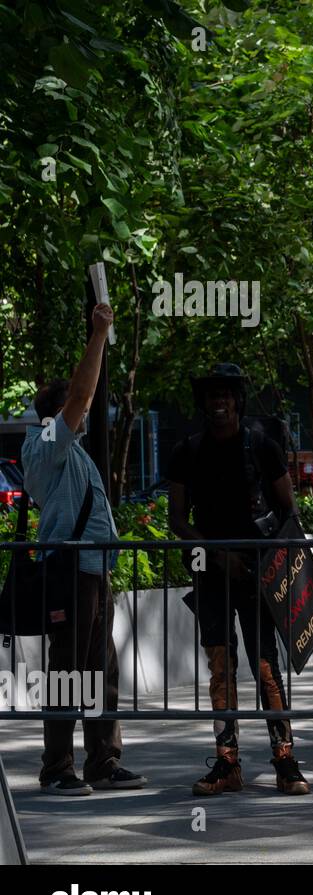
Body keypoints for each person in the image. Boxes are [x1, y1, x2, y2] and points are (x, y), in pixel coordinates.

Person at [168, 364, 307, 796]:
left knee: (266, 666)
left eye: (226, 395)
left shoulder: (262, 446)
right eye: (212, 397)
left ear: (238, 401)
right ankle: (227, 764)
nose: (219, 403)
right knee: (220, 668)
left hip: (258, 574)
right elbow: (177, 520)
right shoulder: (187, 451)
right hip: (211, 574)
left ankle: (285, 759)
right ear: (203, 404)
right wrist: (215, 554)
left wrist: (285, 570)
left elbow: (289, 512)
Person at [22, 303, 145, 795]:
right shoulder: (44, 444)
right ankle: (57, 768)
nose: (87, 410)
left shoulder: (71, 452)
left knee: (99, 669)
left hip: (94, 572)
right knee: (68, 670)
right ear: (59, 413)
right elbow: (82, 392)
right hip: (70, 571)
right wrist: (98, 335)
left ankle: (101, 761)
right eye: (77, 407)